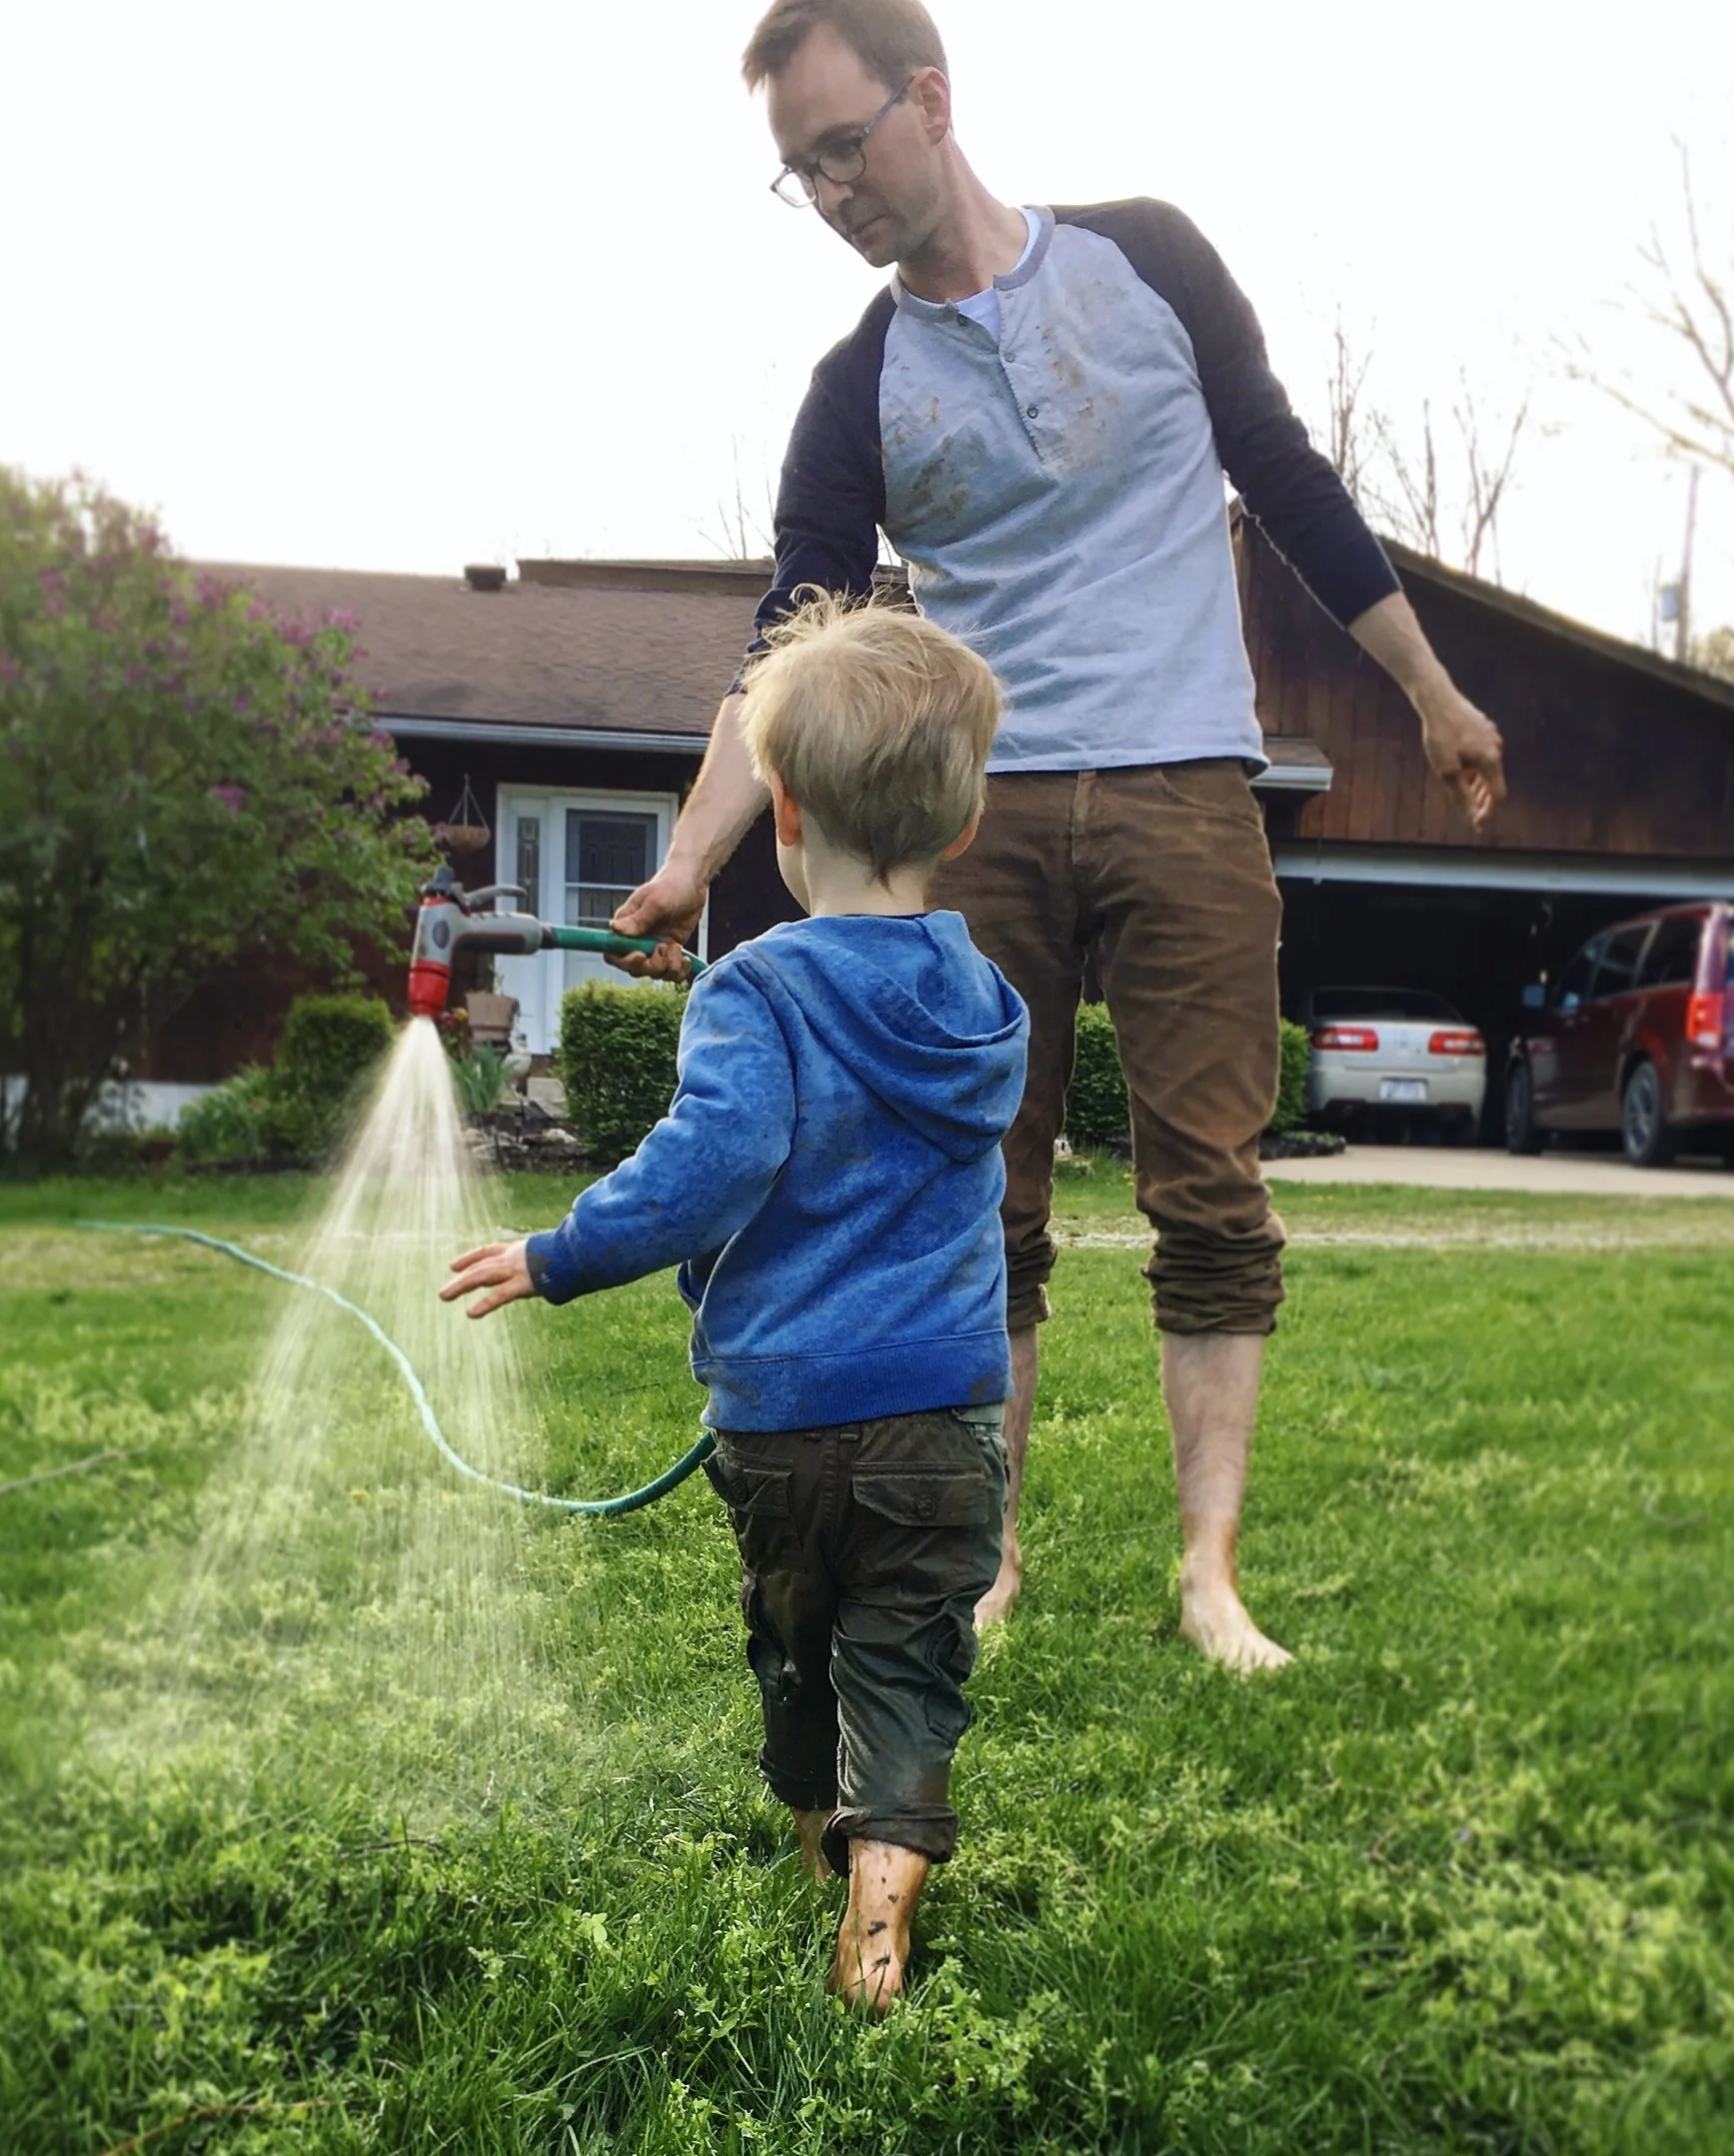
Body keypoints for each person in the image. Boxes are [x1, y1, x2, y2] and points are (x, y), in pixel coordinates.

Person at [609, 0, 1507, 1676]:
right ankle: (995, 1552)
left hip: (1187, 787)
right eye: (793, 171)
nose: (824, 191)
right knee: (977, 1198)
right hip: (986, 817)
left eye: (840, 146)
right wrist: (686, 859)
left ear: (929, 100)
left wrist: (1434, 697)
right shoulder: (858, 385)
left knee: (1213, 1190)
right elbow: (786, 645)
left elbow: (1291, 483)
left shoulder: (1148, 260)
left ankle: (1210, 1575)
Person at [441, 596, 1025, 2012]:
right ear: (960, 826)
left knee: (798, 1639)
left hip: (782, 1422)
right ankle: (883, 1912)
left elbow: (712, 1165)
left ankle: (823, 1843)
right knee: (909, 1654)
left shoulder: (756, 990)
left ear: (780, 814)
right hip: (943, 1424)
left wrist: (563, 1252)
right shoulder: (985, 1000)